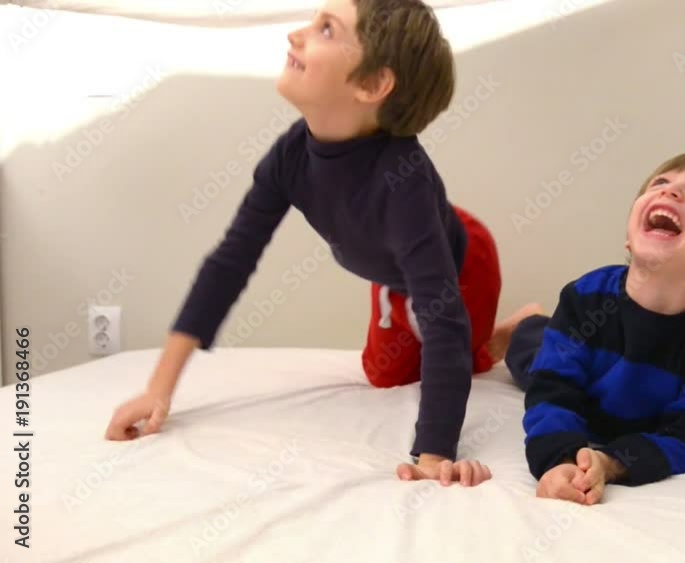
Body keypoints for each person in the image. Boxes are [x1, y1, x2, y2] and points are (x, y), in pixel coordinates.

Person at [105, 0, 513, 487]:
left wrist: (433, 456)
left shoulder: (405, 183)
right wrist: (159, 389)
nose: (296, 35)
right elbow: (229, 264)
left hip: (462, 265)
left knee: (447, 354)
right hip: (392, 271)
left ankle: (509, 333)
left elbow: (443, 313)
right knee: (382, 374)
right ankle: (490, 335)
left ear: (371, 84)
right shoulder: (290, 156)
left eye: (325, 29)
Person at [493, 150, 685, 503]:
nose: (669, 192)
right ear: (630, 238)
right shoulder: (586, 298)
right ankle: (526, 323)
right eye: (661, 182)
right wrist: (559, 461)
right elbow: (553, 392)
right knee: (532, 358)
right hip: (578, 369)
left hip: (621, 394)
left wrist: (611, 463)